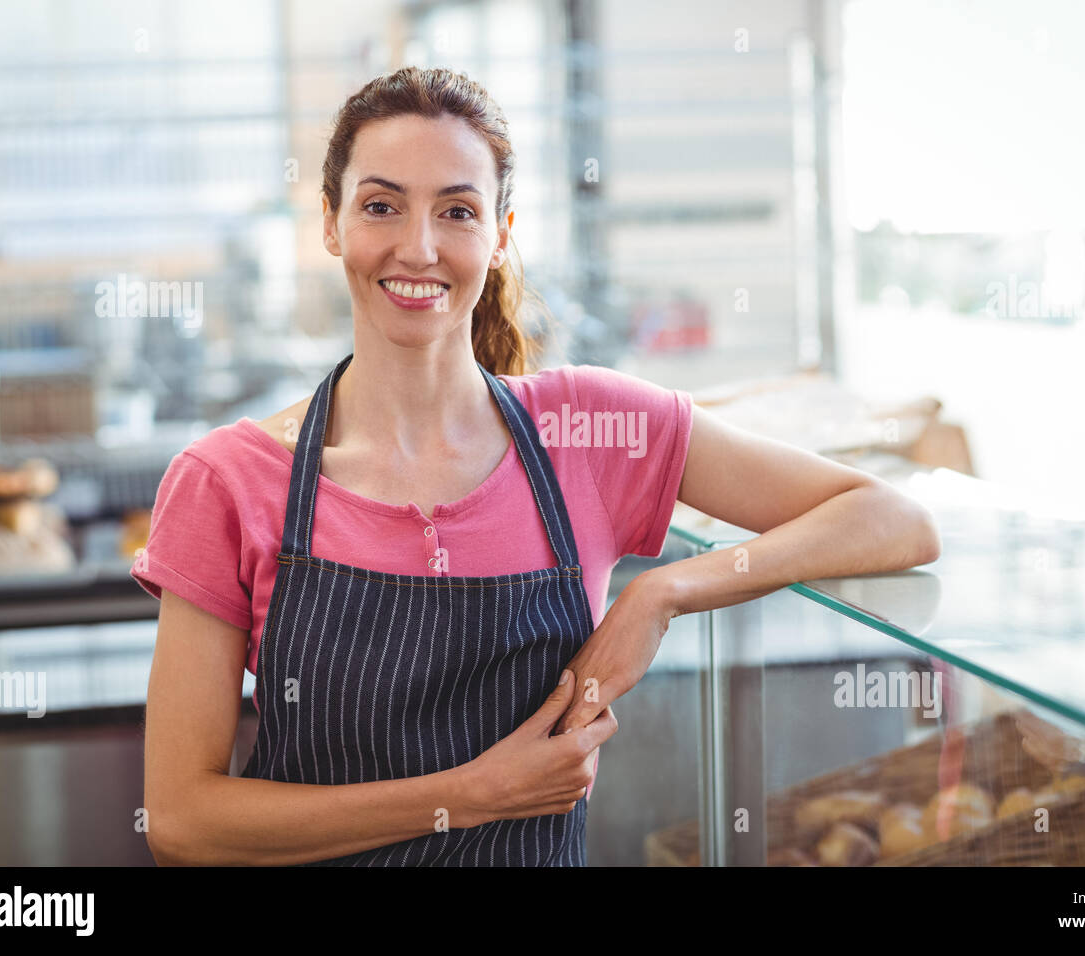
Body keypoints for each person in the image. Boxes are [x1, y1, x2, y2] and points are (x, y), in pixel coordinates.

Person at [134, 66, 941, 867]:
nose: (418, 247)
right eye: (382, 206)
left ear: (501, 232)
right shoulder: (227, 481)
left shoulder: (587, 430)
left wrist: (662, 593)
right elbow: (181, 822)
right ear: (332, 224)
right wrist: (474, 794)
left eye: (458, 211)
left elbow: (892, 520)